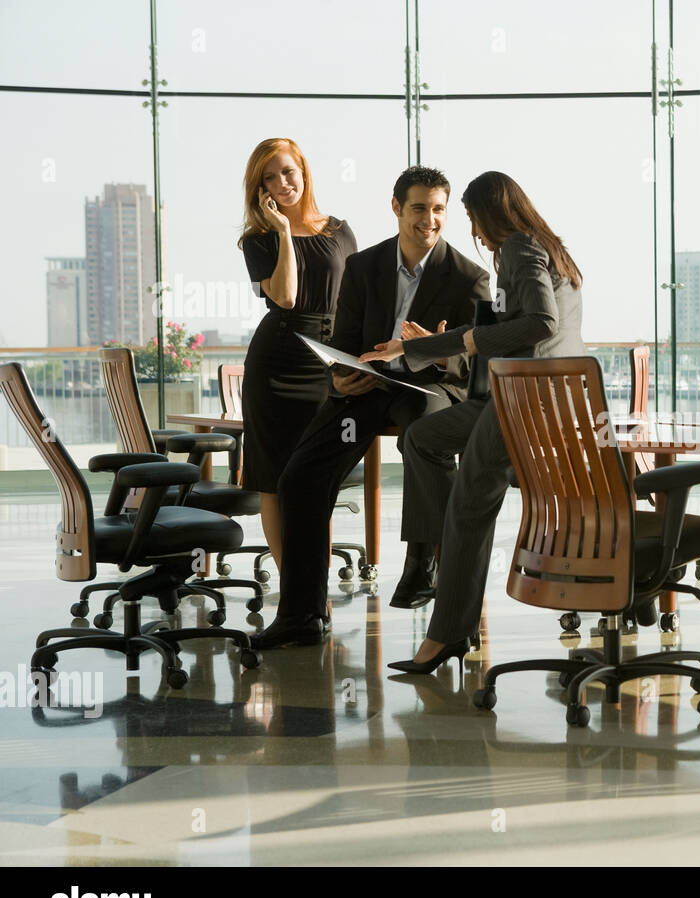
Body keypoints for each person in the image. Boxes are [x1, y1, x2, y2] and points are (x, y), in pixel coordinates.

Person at [252, 166, 491, 650]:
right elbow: (342, 343)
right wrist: (341, 374)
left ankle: (422, 561)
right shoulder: (364, 267)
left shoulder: (470, 278)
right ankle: (302, 615)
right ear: (397, 207)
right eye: (419, 207)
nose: (430, 219)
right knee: (300, 475)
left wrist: (437, 350)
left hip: (426, 391)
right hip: (368, 391)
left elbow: (475, 371)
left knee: (425, 435)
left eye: (439, 209)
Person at [358, 171, 584, 674]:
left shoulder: (520, 247)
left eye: (470, 217)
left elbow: (539, 325)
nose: (473, 232)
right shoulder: (547, 247)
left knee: (468, 509)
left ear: (489, 213)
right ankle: (438, 560)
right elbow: (498, 329)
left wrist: (472, 341)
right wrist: (413, 347)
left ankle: (445, 632)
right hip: (540, 396)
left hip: (526, 400)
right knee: (423, 437)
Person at [238, 138, 356, 569]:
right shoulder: (258, 240)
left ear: (303, 171)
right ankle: (295, 592)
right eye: (269, 177)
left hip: (330, 362)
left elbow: (357, 298)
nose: (281, 182)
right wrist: (285, 231)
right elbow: (285, 297)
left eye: (287, 171)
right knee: (274, 479)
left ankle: (316, 584)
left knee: (317, 479)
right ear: (260, 188)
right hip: (279, 361)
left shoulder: (339, 230)